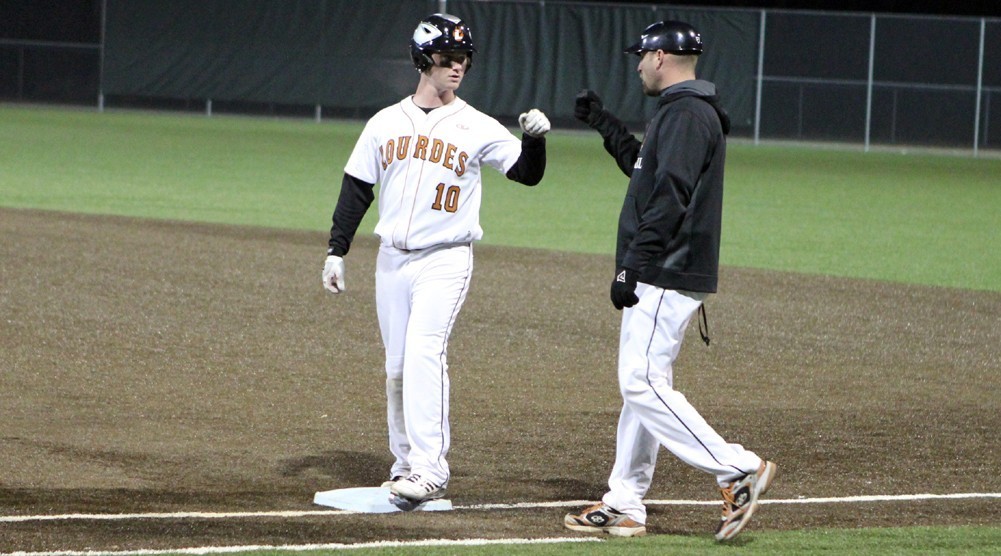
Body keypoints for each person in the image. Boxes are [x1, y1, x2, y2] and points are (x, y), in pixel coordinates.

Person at [321, 13, 550, 511]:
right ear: (423, 61)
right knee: (398, 367)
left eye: (463, 59)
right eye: (447, 59)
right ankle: (404, 466)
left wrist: (534, 140)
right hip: (392, 260)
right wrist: (337, 249)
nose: (457, 67)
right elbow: (358, 187)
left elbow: (527, 175)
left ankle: (431, 470)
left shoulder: (476, 124)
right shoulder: (385, 122)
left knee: (426, 354)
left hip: (445, 259)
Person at [563, 20, 776, 541]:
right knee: (645, 385)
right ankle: (625, 502)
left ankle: (736, 467)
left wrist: (633, 263)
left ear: (661, 58)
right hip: (669, 266)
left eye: (642, 56)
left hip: (665, 267)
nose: (637, 64)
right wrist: (606, 125)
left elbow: (670, 194)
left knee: (640, 382)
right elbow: (646, 169)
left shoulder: (686, 113)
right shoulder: (682, 112)